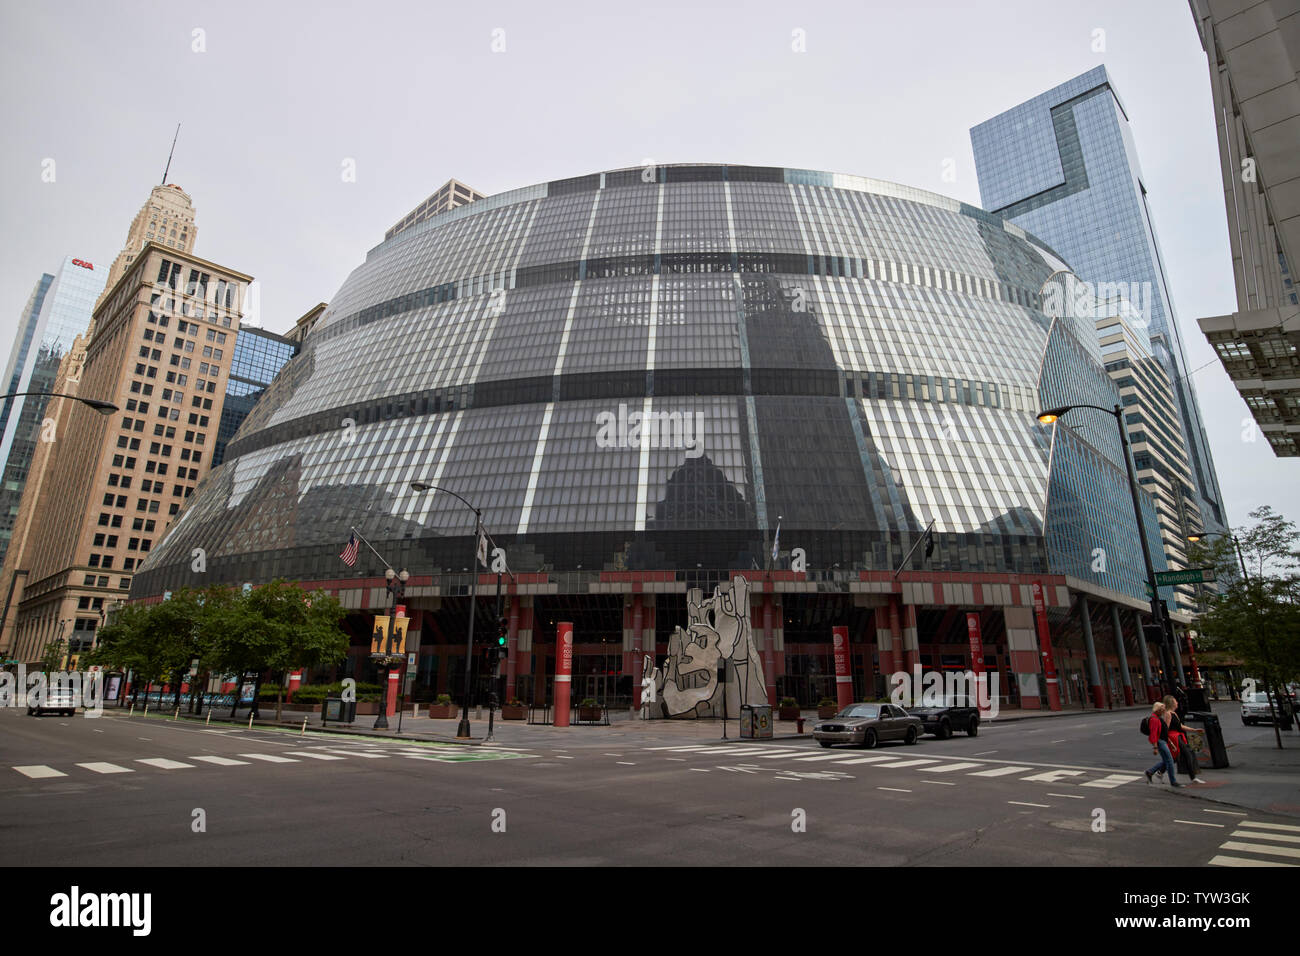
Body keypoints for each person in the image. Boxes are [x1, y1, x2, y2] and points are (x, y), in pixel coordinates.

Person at [1160, 694, 1203, 784]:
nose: (1177, 703)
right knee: (1187, 754)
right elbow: (1166, 729)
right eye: (1175, 701)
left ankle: (1159, 772)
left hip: (1178, 736)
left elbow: (1180, 726)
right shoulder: (1168, 714)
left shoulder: (1174, 713)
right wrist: (1169, 741)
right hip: (1173, 737)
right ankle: (1193, 777)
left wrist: (1194, 730)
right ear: (1171, 703)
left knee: (1174, 757)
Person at [1144, 702, 1181, 788]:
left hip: (1163, 741)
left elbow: (1163, 733)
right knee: (1170, 760)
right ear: (1158, 710)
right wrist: (1155, 747)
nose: (1164, 711)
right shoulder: (1154, 719)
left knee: (1166, 760)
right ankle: (1173, 781)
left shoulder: (1158, 718)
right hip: (1160, 742)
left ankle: (1150, 772)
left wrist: (1171, 744)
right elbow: (1154, 734)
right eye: (1162, 710)